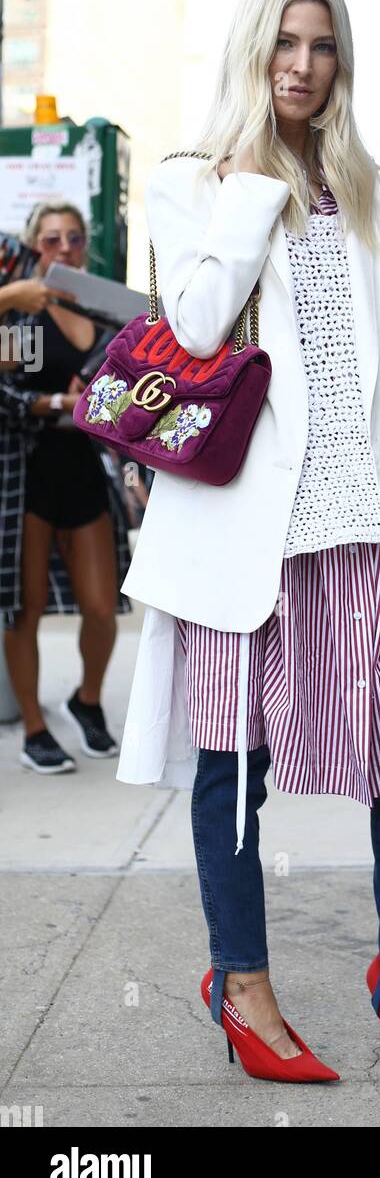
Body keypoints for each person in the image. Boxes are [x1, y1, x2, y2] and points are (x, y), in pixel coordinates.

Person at [114, 0, 380, 1084]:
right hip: (243, 532)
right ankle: (243, 982)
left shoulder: (372, 191)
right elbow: (200, 322)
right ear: (251, 52)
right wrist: (251, 188)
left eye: (322, 47)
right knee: (234, 759)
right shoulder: (189, 181)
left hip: (367, 523)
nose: (303, 67)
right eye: (284, 44)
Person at [0, 200, 132, 772]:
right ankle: (34, 727)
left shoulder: (105, 314)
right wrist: (55, 402)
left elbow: (136, 381)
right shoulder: (21, 318)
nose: (64, 249)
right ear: (35, 247)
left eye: (74, 238)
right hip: (29, 473)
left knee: (103, 608)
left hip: (83, 467)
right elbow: (4, 395)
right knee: (25, 610)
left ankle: (87, 701)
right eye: (51, 240)